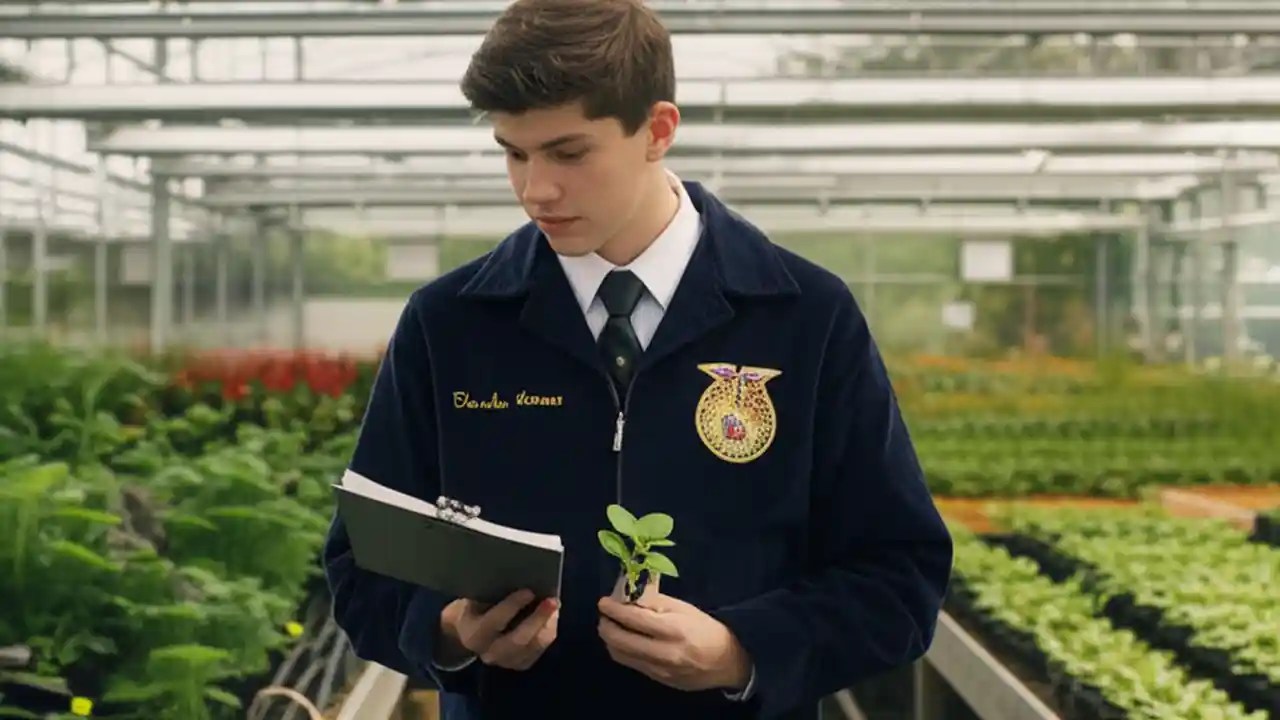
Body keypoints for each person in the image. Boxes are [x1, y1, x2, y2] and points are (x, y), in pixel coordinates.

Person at [321, 0, 954, 718]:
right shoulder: (451, 325)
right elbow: (360, 567)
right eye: (514, 153)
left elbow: (900, 575)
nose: (535, 190)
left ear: (657, 131)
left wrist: (742, 651)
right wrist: (450, 633)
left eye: (568, 153)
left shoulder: (804, 318)